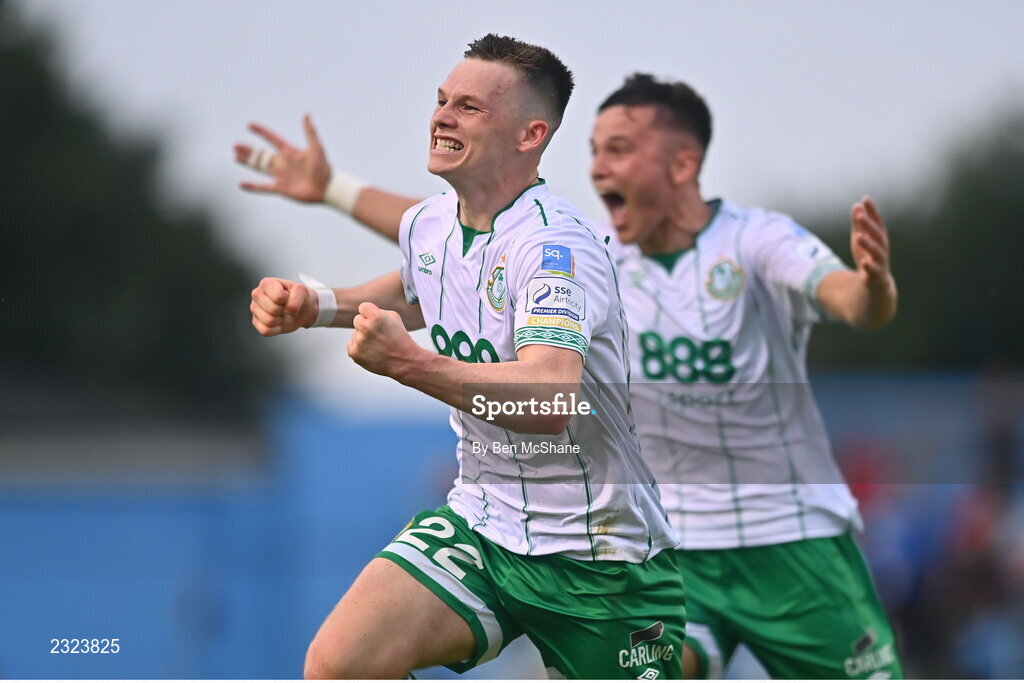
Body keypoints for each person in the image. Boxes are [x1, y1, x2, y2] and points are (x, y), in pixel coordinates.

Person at [237, 72, 903, 678]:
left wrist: (871, 287)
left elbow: (846, 297)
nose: (597, 166)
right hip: (587, 530)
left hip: (757, 545)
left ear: (682, 163)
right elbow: (442, 245)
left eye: (618, 149)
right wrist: (330, 203)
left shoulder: (745, 242)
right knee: (338, 662)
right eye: (593, 148)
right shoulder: (595, 251)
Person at [246, 37, 687, 680]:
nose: (443, 116)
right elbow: (418, 285)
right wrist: (315, 303)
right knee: (339, 664)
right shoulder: (430, 224)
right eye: (442, 100)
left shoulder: (554, 248)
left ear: (529, 134)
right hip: (481, 525)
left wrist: (409, 364)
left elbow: (550, 397)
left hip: (601, 561)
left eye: (470, 107)